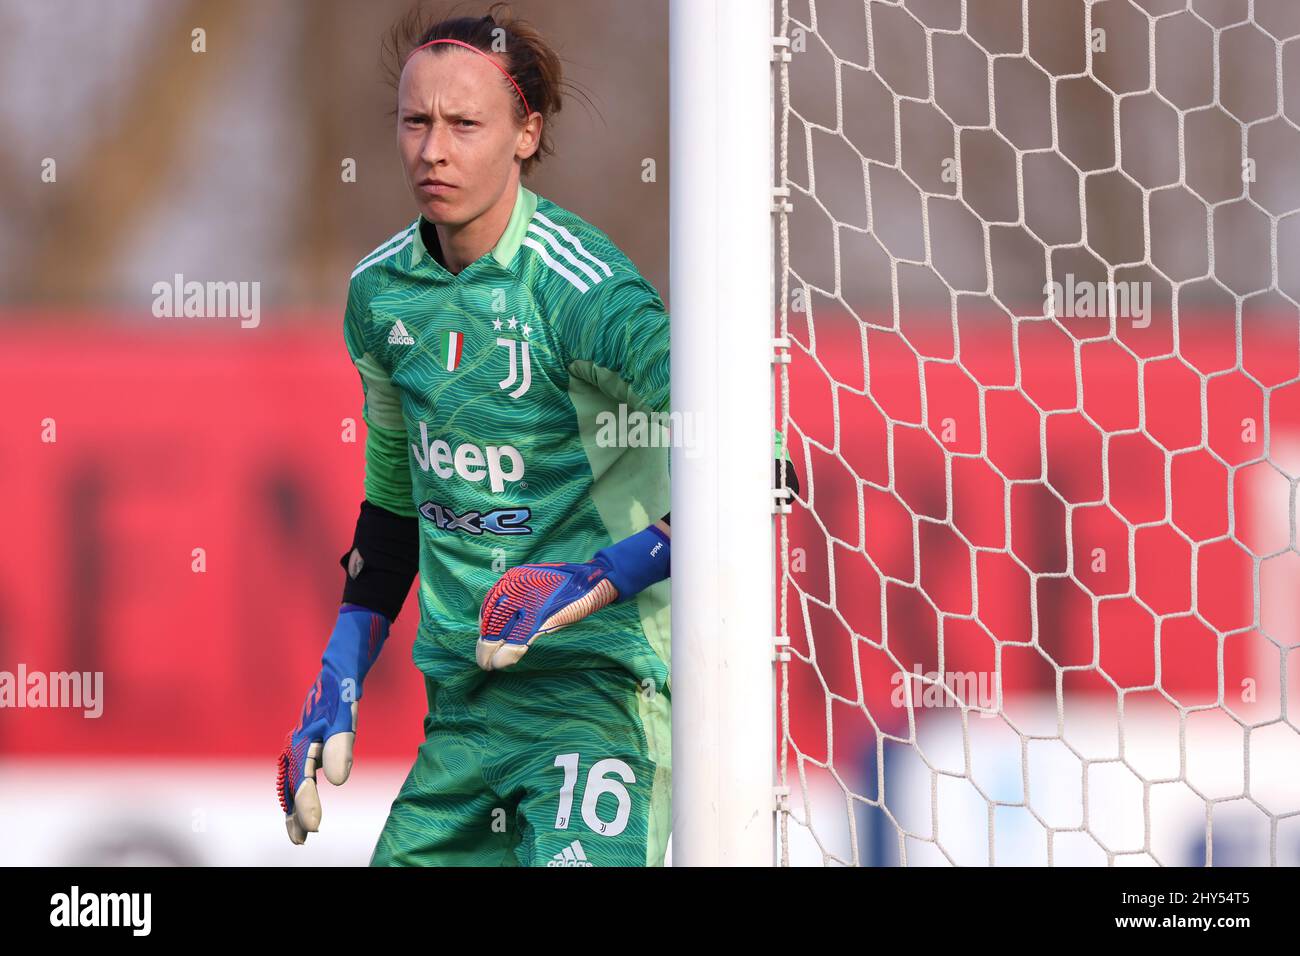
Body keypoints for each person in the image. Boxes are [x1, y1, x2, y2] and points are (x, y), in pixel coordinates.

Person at [275, 3, 674, 867]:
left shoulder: (586, 291)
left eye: (464, 123)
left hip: (597, 697)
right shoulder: (380, 295)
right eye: (415, 121)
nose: (433, 150)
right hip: (464, 712)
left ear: (526, 132)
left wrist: (600, 577)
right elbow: (394, 507)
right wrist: (338, 673)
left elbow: (762, 462)